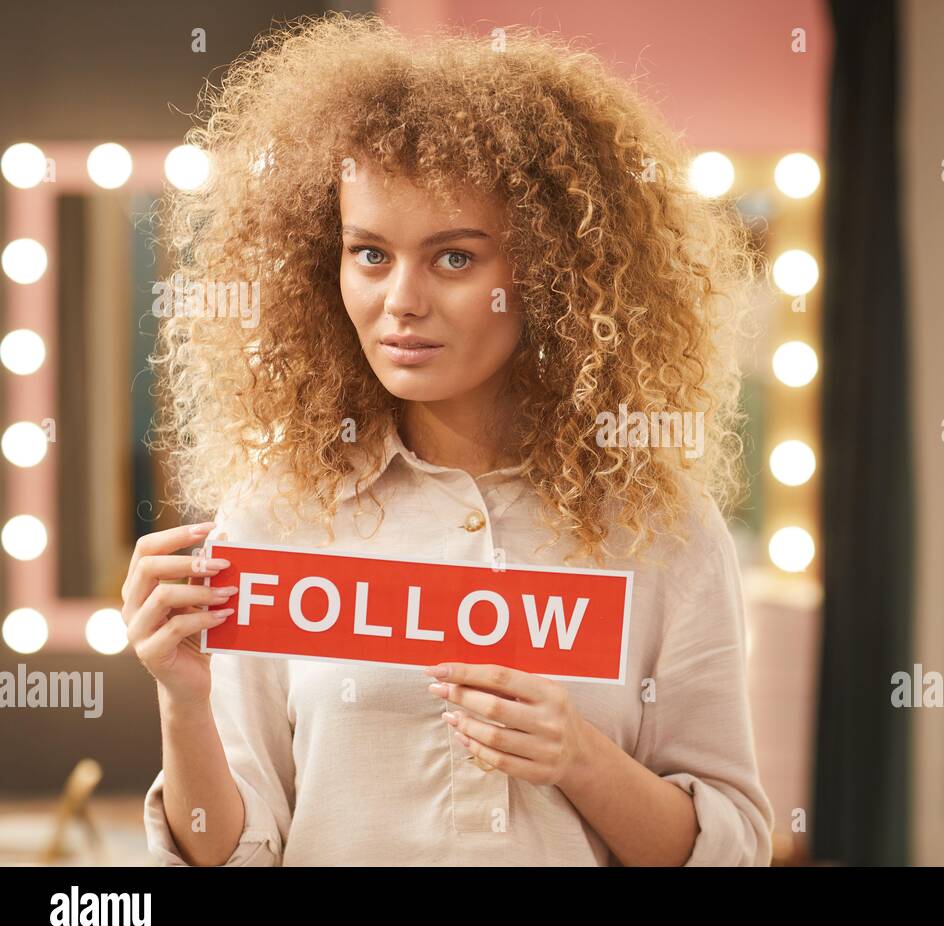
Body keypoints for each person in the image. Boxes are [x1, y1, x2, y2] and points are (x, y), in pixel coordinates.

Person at [123, 12, 772, 866]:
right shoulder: (278, 515)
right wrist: (181, 700)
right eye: (370, 253)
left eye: (455, 258)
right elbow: (231, 853)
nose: (401, 301)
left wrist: (581, 757)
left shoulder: (661, 528)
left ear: (547, 269)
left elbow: (732, 848)